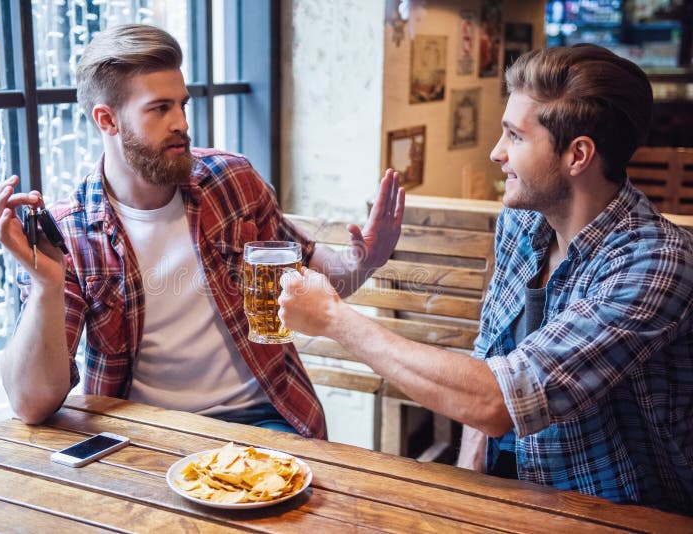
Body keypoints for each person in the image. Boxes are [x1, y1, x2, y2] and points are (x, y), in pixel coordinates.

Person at [279, 43, 693, 513]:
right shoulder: (524, 220)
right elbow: (492, 351)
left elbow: (500, 398)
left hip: (613, 508)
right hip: (512, 487)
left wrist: (335, 318)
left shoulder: (653, 263)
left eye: (515, 136)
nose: (496, 153)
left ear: (578, 155)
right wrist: (466, 485)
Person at [0, 24, 404, 440]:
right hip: (144, 434)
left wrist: (364, 260)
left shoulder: (231, 180)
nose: (181, 124)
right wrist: (46, 285)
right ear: (107, 120)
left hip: (264, 417)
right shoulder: (70, 232)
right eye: (160, 108)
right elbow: (31, 402)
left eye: (182, 106)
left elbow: (314, 276)